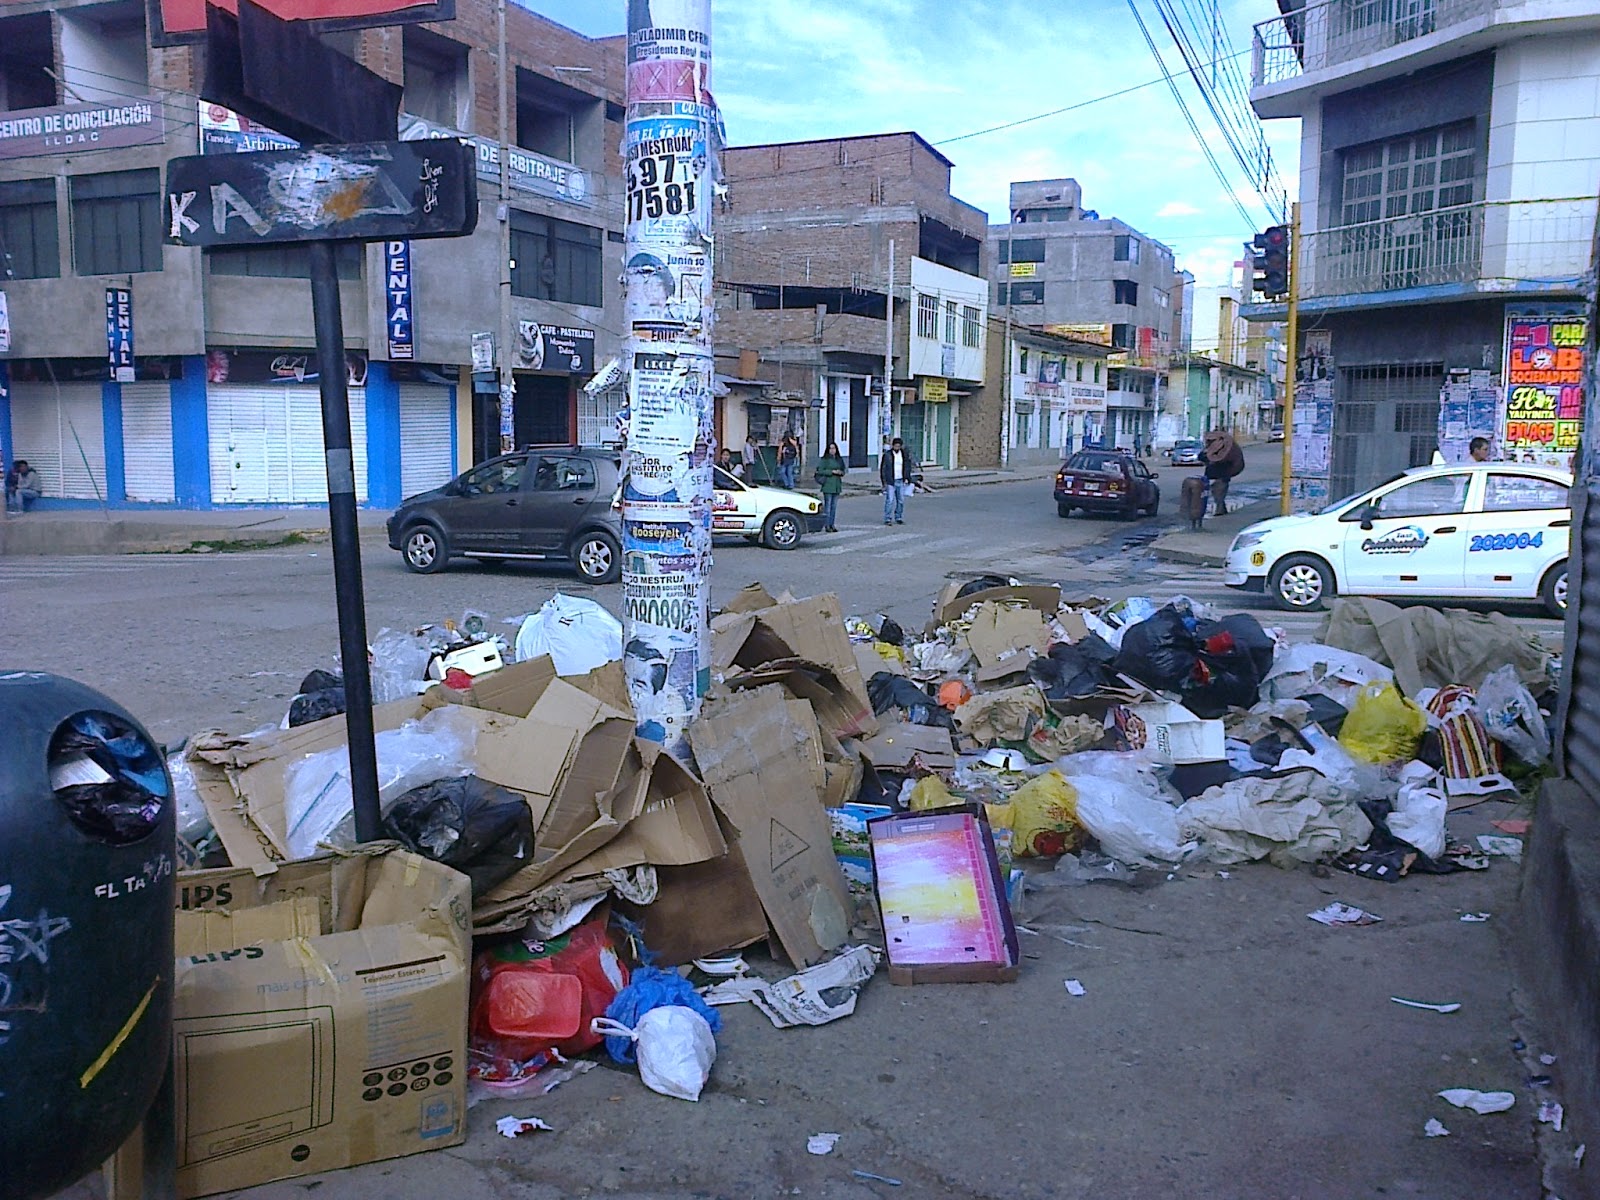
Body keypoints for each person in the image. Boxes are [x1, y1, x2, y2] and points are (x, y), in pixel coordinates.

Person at [1202, 429, 1244, 516]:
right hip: (1215, 475)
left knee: (1219, 494)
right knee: (1217, 494)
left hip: (1222, 476)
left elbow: (1228, 460)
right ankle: (1222, 510)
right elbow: (1202, 457)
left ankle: (1220, 511)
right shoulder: (1210, 448)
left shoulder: (1227, 448)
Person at [879, 436, 919, 526]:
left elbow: (907, 467)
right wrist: (884, 481)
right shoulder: (887, 455)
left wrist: (907, 477)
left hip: (900, 480)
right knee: (890, 500)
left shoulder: (904, 455)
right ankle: (887, 518)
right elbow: (883, 468)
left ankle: (898, 517)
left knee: (901, 500)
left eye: (898, 446)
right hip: (891, 480)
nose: (897, 448)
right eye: (895, 446)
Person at [814, 440, 846, 532]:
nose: (832, 450)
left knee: (834, 507)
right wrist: (831, 472)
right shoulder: (825, 460)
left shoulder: (839, 459)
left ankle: (832, 524)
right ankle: (827, 525)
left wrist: (840, 472)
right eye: (831, 448)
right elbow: (819, 471)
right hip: (828, 485)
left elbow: (843, 470)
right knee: (827, 507)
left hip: (837, 485)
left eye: (834, 448)